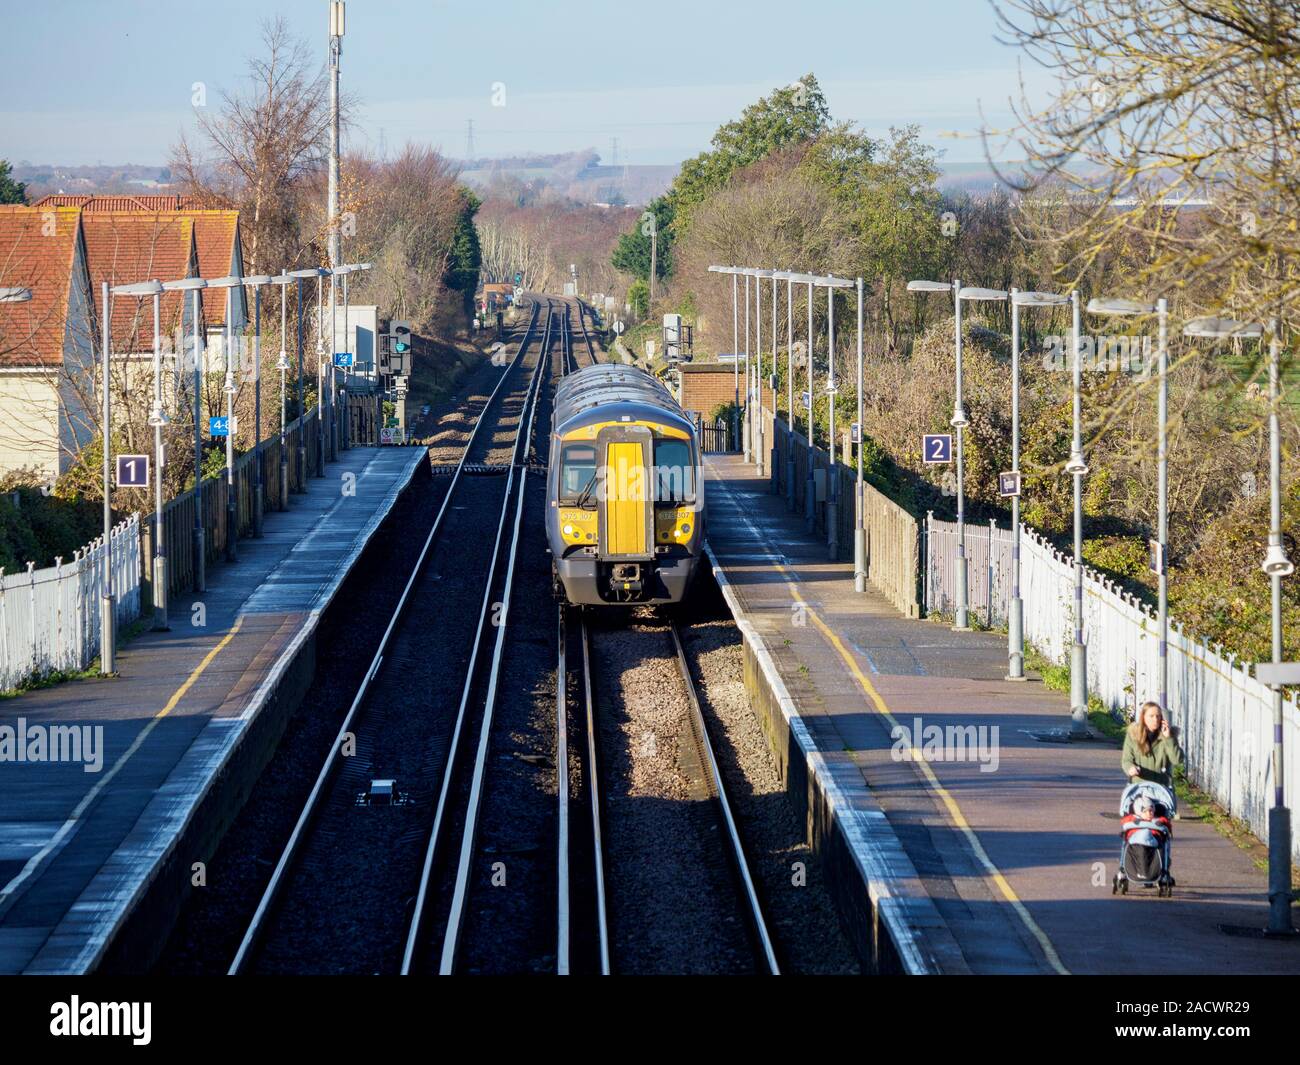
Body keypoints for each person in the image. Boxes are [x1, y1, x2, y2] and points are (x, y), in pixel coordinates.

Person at [1122, 701, 1183, 791]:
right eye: (1151, 716)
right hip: (1139, 787)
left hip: (1162, 788)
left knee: (1164, 804)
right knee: (1146, 804)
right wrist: (1131, 768)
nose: (1155, 719)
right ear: (1143, 718)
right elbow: (1126, 760)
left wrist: (1168, 738)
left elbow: (1177, 760)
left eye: (1158, 716)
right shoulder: (1133, 735)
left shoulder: (1168, 736)